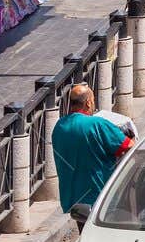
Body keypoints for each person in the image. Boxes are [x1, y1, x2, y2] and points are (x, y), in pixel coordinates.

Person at [52, 84, 135, 213]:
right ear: (88, 103)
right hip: (99, 197)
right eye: (93, 101)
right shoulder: (97, 124)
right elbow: (128, 146)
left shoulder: (59, 126)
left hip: (72, 199)